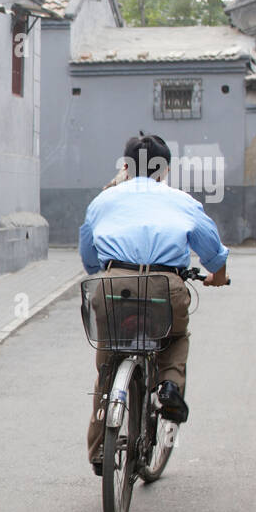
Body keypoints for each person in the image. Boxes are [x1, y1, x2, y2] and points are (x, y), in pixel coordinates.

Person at [78, 132, 230, 476]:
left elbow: (89, 257)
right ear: (164, 170)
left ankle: (102, 446)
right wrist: (217, 277)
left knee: (109, 359)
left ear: (126, 167)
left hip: (113, 285)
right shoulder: (181, 201)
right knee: (175, 338)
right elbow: (213, 252)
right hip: (165, 286)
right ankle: (169, 386)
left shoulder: (103, 201)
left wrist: (106, 269)